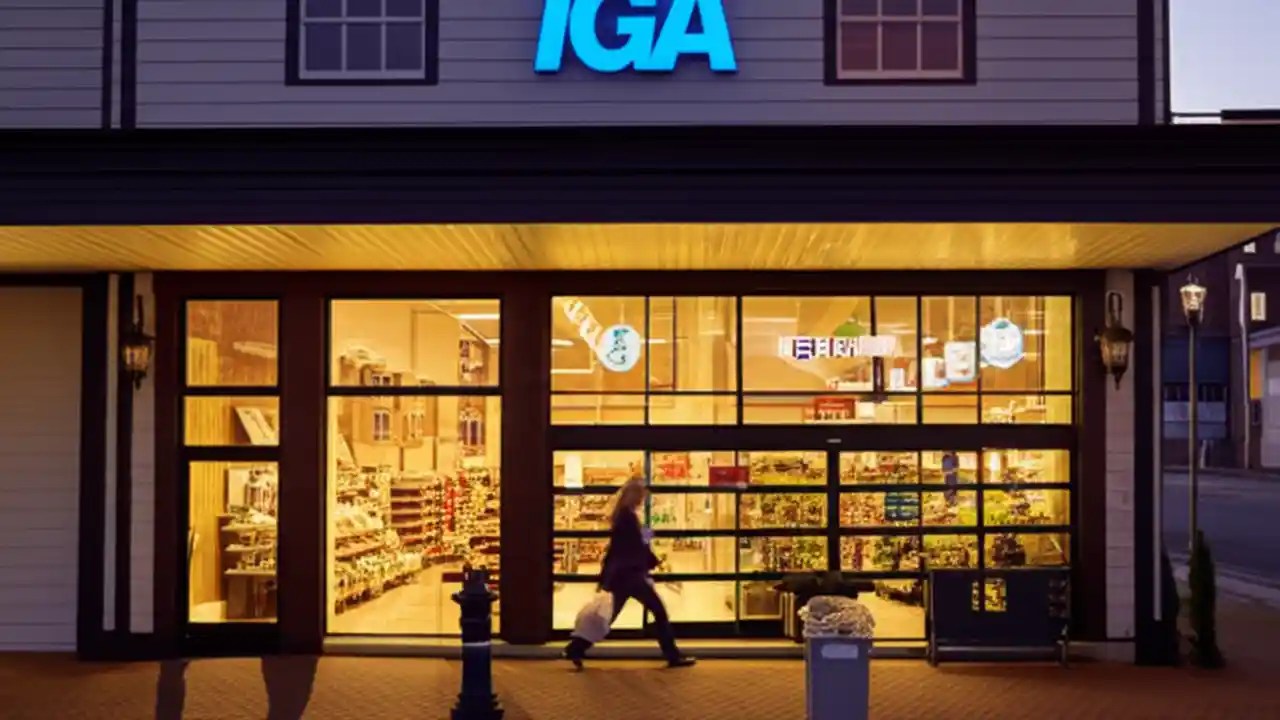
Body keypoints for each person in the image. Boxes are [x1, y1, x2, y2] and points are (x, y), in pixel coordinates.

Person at [564, 476, 695, 670]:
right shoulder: (627, 518)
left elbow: (619, 547)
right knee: (658, 611)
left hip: (621, 575)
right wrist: (652, 556)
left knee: (609, 615)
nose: (643, 500)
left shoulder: (624, 516)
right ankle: (672, 656)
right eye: (641, 496)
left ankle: (576, 648)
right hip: (630, 575)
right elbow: (634, 545)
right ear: (635, 496)